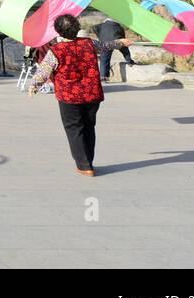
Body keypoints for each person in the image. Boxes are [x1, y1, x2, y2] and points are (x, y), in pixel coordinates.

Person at [29, 13, 133, 176]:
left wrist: (34, 85)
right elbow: (106, 45)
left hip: (69, 97)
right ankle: (88, 162)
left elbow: (44, 70)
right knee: (89, 127)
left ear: (58, 31)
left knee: (74, 129)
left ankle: (85, 166)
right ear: (77, 29)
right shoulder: (89, 44)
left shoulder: (56, 50)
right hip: (92, 95)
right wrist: (120, 42)